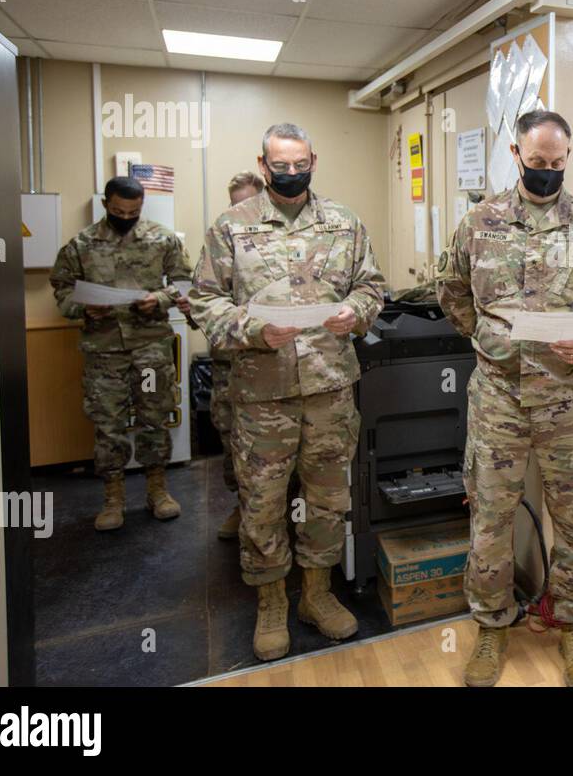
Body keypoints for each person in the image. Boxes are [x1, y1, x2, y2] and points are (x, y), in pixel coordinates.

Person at [436, 109, 573, 687]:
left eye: (557, 162)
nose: (547, 171)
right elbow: (450, 291)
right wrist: (486, 336)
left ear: (567, 158)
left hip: (570, 403)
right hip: (498, 398)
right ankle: (492, 627)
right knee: (491, 520)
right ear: (516, 154)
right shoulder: (479, 222)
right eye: (537, 161)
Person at [190, 123, 386, 661]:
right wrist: (253, 330)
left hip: (329, 388)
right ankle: (272, 601)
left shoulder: (344, 223)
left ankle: (316, 597)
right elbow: (205, 302)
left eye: (301, 164)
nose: (292, 173)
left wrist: (359, 310)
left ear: (313, 160)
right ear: (263, 163)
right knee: (263, 504)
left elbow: (372, 284)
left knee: (326, 499)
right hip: (261, 391)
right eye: (282, 165)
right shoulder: (232, 226)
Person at [50, 175, 193, 531]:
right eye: (118, 211)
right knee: (108, 424)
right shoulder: (81, 245)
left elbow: (185, 283)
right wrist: (83, 309)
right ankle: (113, 498)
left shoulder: (163, 239)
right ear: (105, 205)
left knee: (153, 415)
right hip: (105, 352)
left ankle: (157, 490)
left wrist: (158, 299)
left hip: (150, 349)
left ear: (141, 206)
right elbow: (62, 289)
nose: (125, 216)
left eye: (133, 211)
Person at [206, 170, 266, 540]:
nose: (239, 211)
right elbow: (205, 295)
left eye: (246, 203)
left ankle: (285, 513)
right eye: (234, 205)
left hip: (272, 362)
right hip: (230, 361)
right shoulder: (222, 237)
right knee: (232, 438)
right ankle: (240, 508)